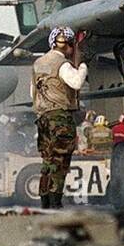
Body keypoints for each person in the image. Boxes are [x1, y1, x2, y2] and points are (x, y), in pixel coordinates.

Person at [32, 26, 88, 209]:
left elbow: (32, 91)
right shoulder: (62, 64)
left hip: (42, 118)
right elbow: (76, 82)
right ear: (67, 45)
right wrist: (82, 67)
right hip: (60, 118)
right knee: (60, 161)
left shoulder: (38, 64)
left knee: (47, 161)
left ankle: (45, 202)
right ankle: (55, 203)